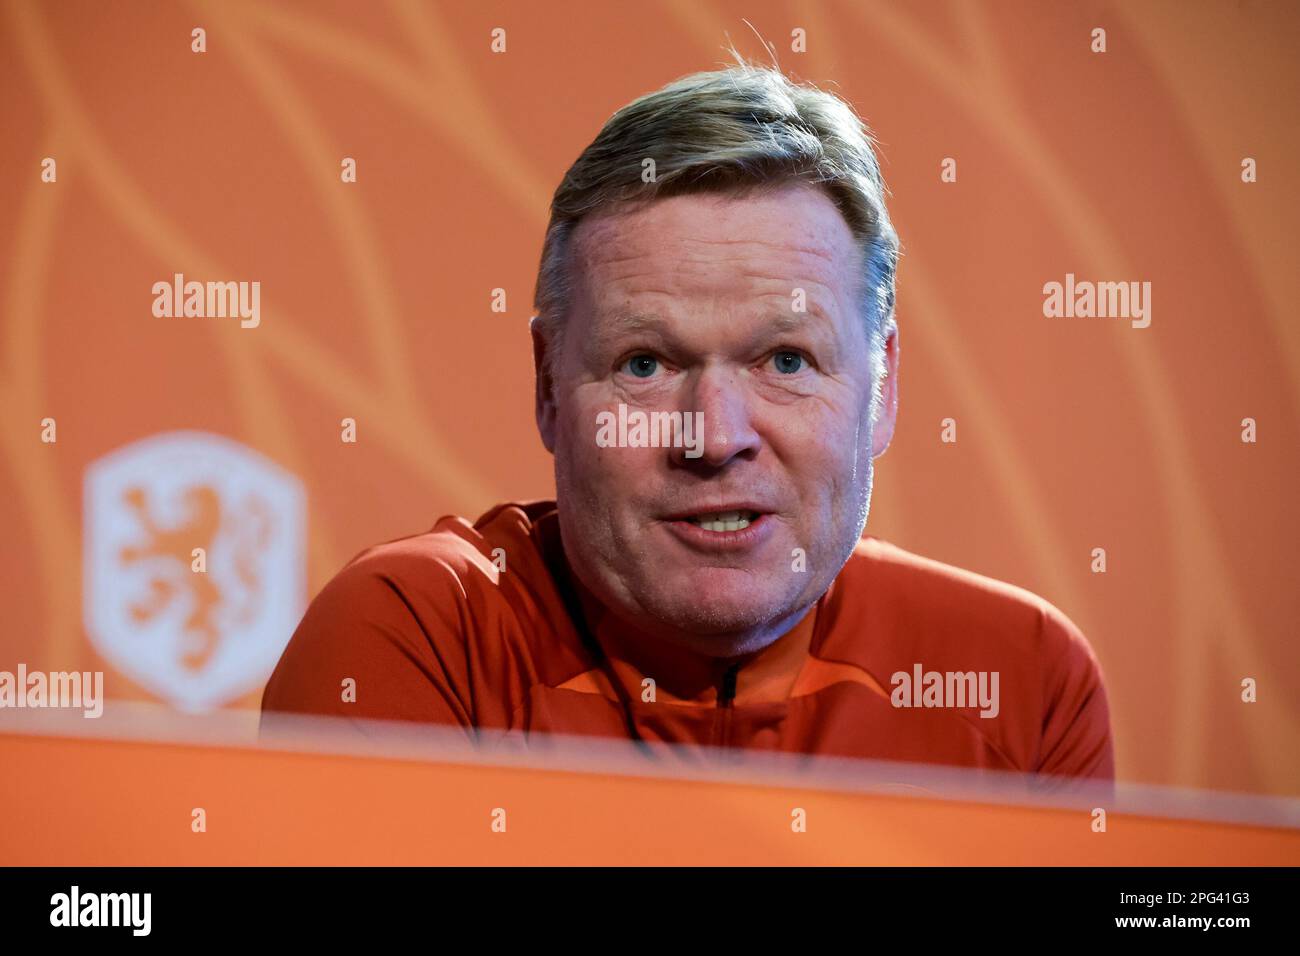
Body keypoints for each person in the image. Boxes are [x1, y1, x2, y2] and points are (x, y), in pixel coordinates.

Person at [261, 62, 1113, 790]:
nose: (713, 438)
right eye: (645, 365)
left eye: (785, 360)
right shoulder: (424, 634)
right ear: (549, 390)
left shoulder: (1017, 675)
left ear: (882, 389)